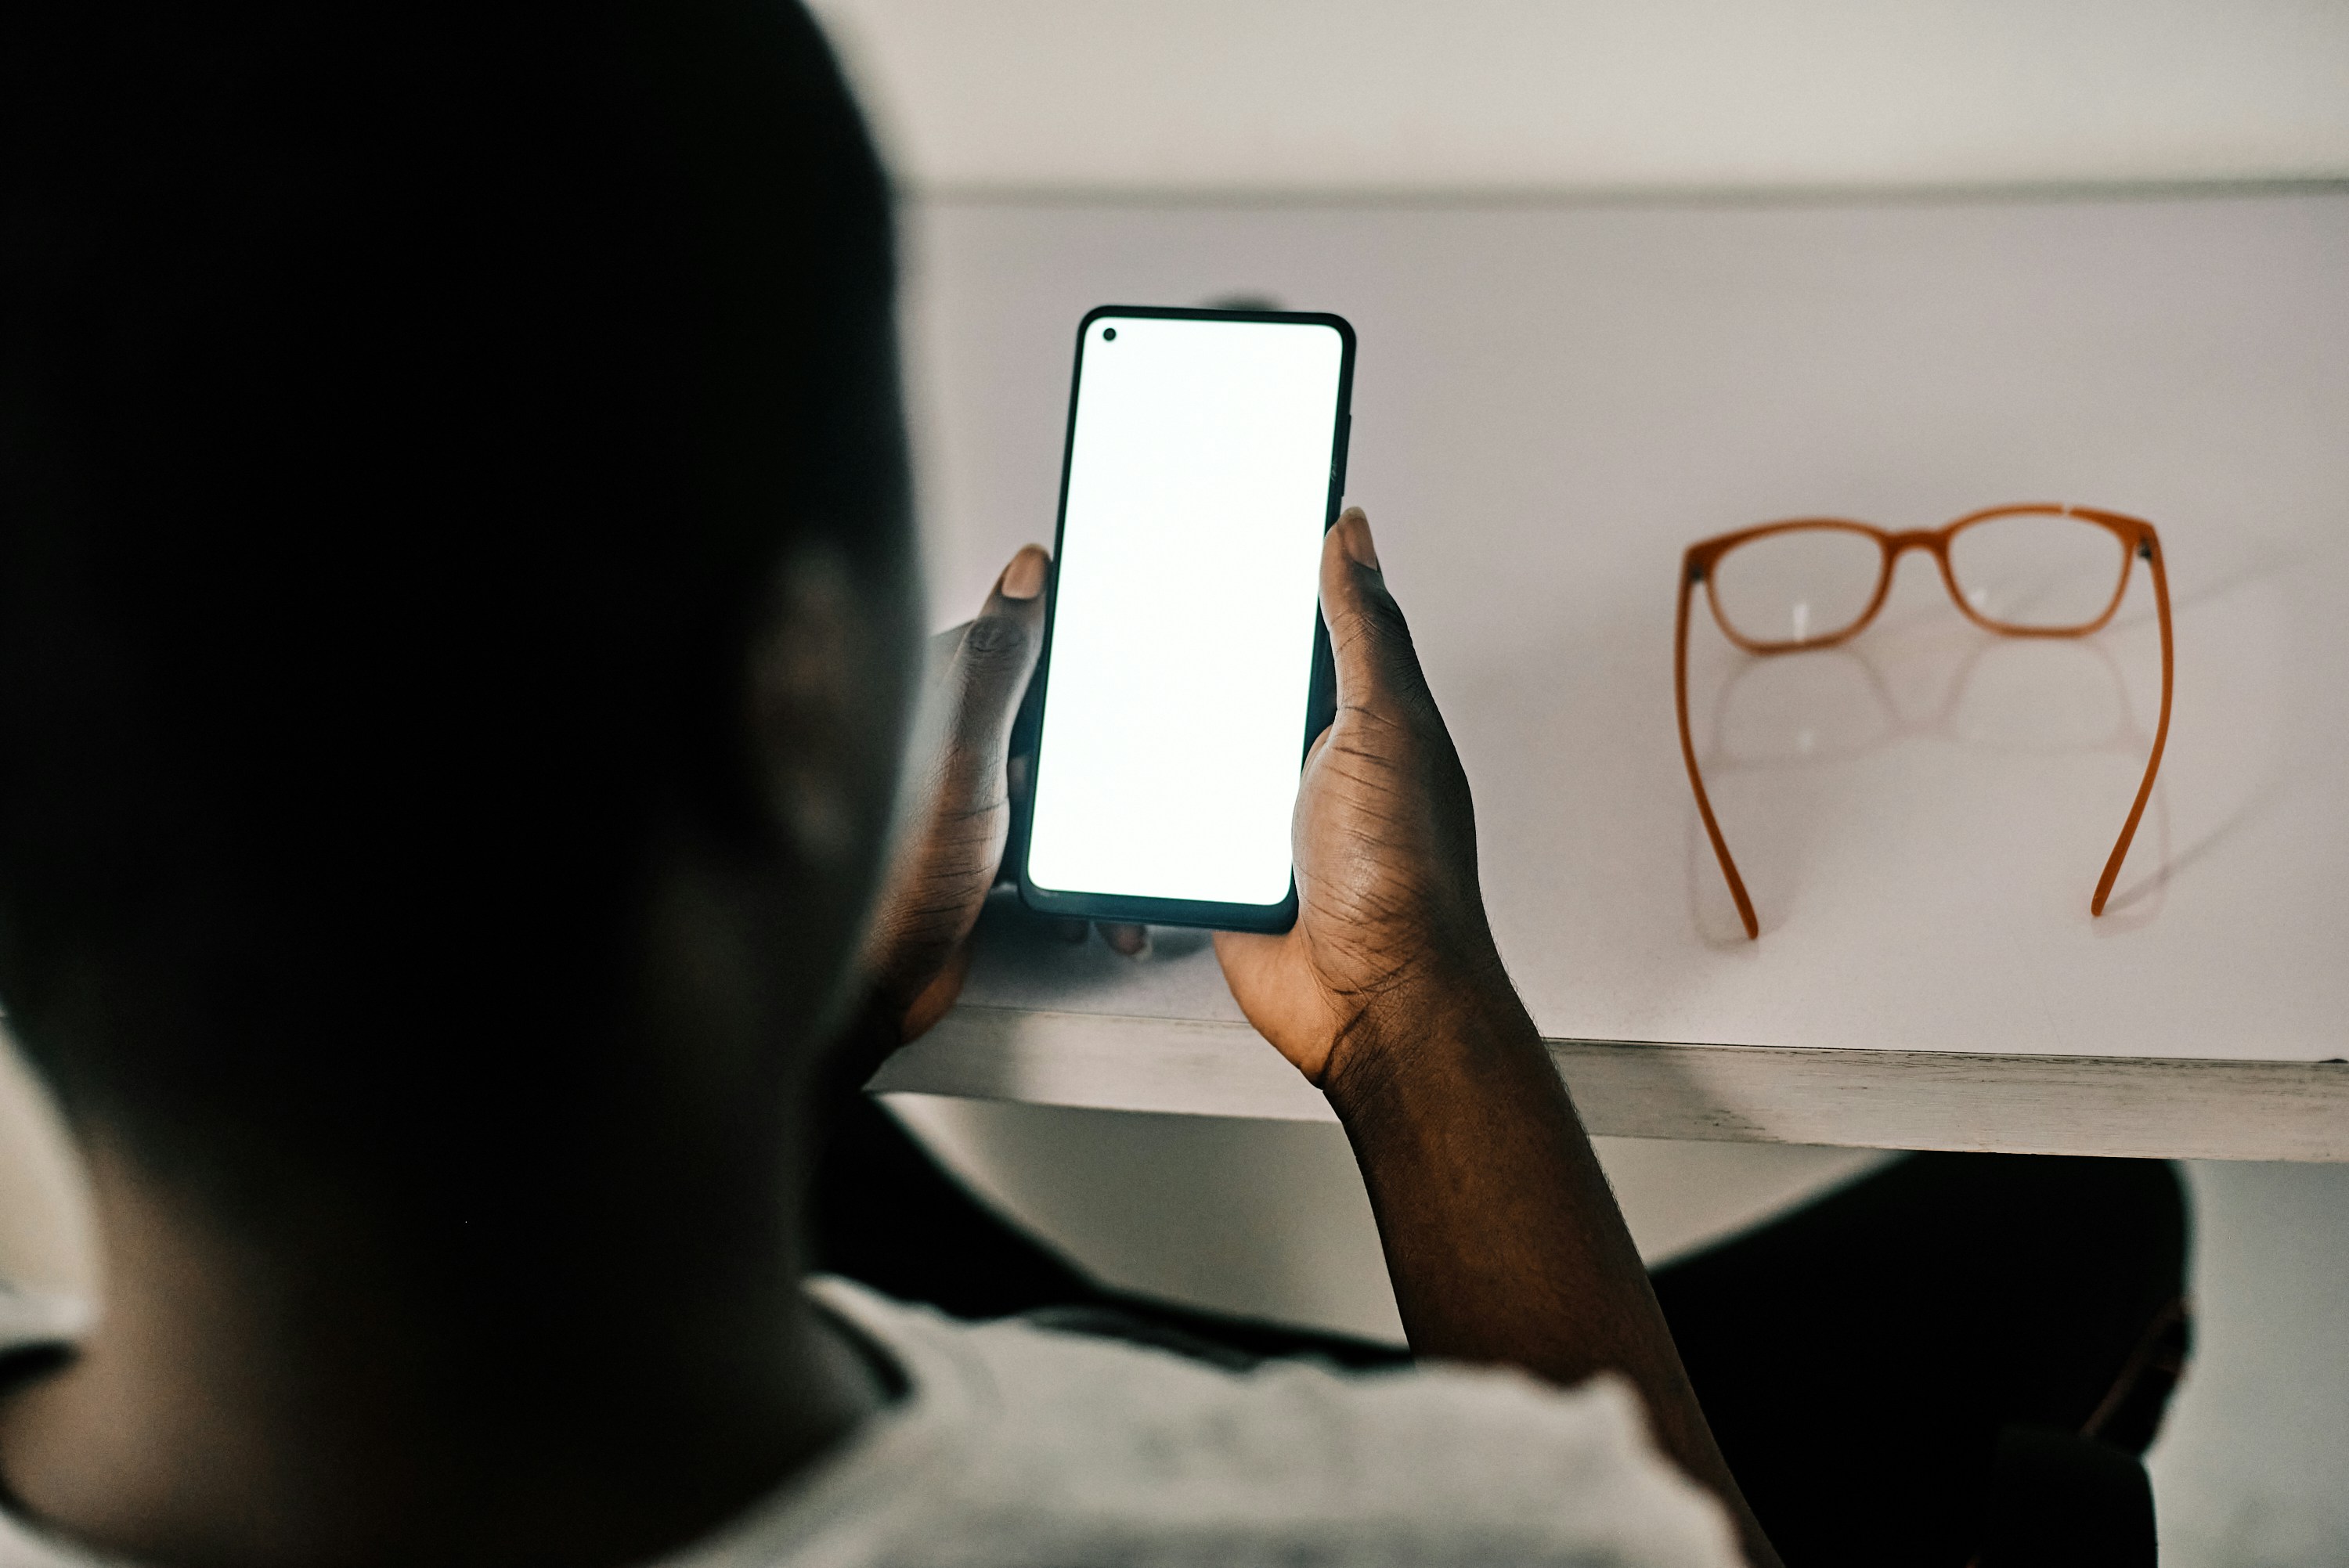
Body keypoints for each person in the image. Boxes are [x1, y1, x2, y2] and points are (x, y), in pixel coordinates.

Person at [0, 5, 2183, 1566]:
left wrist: (822, 1004)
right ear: (805, 702)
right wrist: (1410, 1017)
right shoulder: (1409, 1533)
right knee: (2091, 1210)